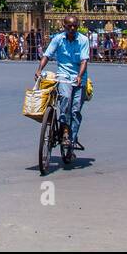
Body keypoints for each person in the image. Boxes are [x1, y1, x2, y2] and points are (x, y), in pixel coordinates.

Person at [35, 14, 90, 163]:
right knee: (65, 98)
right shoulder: (58, 39)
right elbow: (47, 55)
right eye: (69, 26)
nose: (72, 29)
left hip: (79, 78)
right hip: (63, 76)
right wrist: (39, 69)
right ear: (64, 26)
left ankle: (71, 141)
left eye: (75, 26)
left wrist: (79, 76)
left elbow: (84, 61)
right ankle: (64, 130)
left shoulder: (83, 40)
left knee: (75, 110)